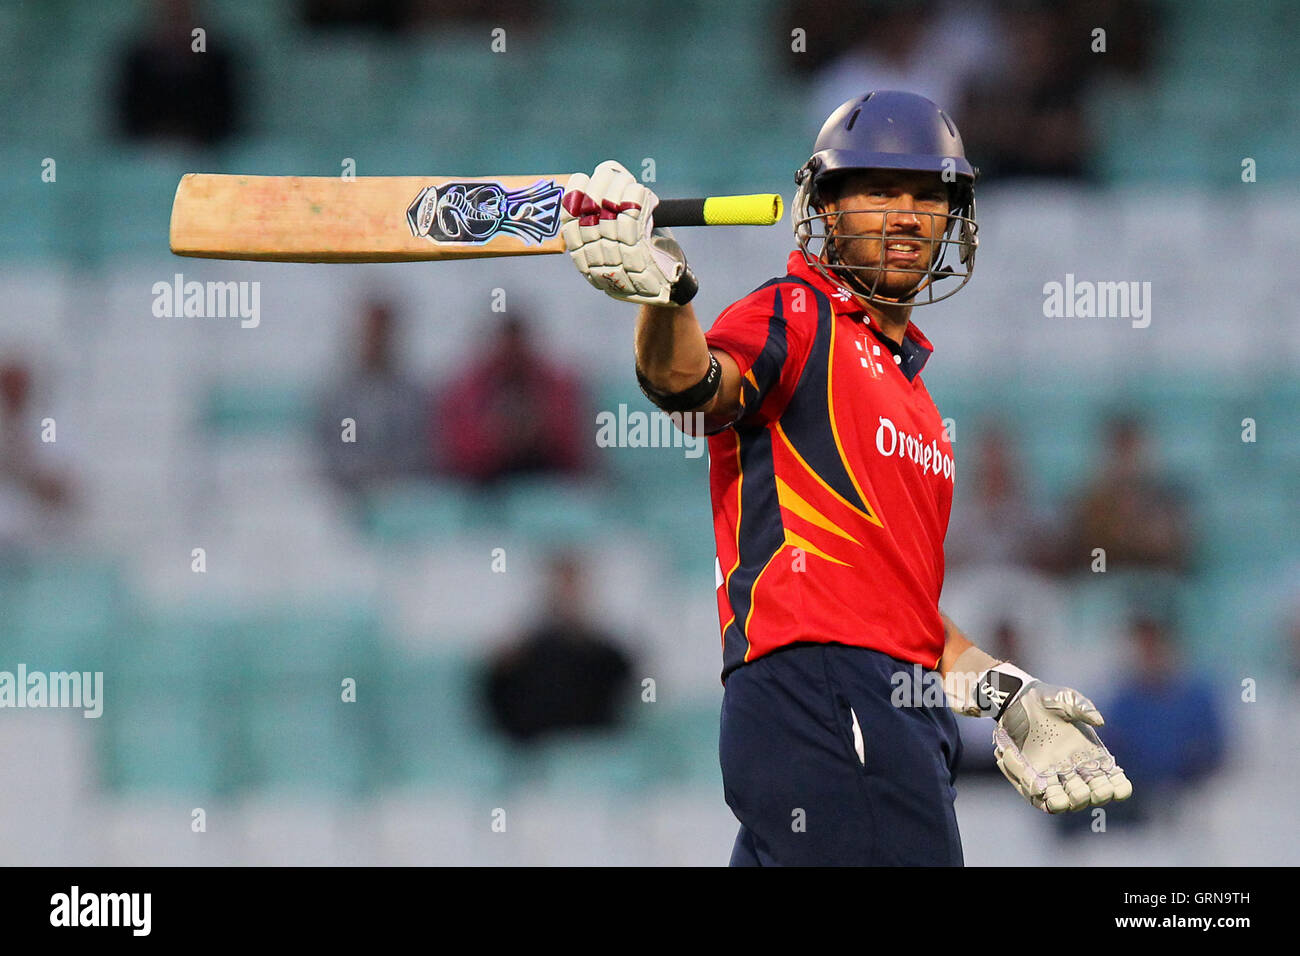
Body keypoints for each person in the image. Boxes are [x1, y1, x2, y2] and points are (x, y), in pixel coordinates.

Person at [558, 90, 1132, 865]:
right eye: (878, 191)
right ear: (825, 209)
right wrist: (664, 294)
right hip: (822, 692)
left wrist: (1009, 698)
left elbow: (905, 617)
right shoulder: (798, 312)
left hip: (885, 708)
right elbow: (691, 388)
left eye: (928, 195)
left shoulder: (922, 407)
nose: (905, 214)